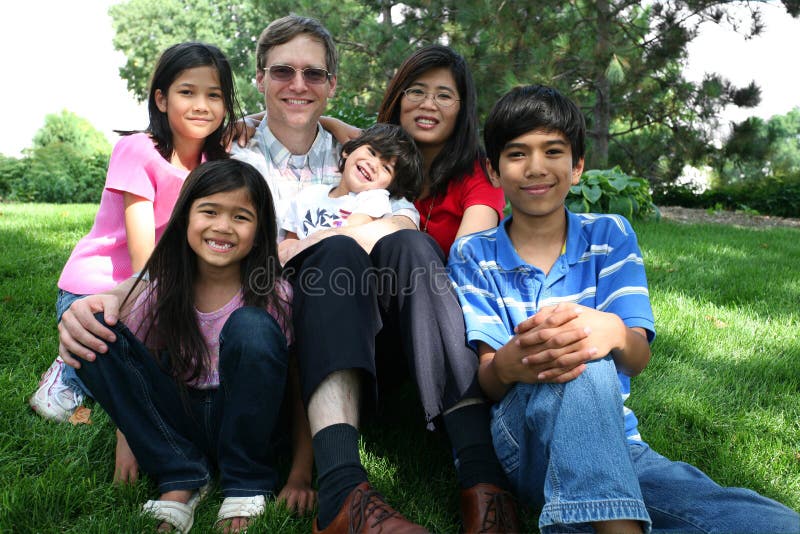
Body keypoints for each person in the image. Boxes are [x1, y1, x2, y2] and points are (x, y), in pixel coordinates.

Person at [58, 16, 519, 534]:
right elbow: (193, 246)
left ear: (332, 85)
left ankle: (481, 477)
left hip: (371, 330)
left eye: (314, 75)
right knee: (339, 256)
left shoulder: (357, 154)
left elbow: (391, 211)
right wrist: (119, 293)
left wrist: (339, 229)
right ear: (259, 79)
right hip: (283, 325)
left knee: (407, 244)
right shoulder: (235, 156)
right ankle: (343, 487)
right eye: (282, 72)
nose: (298, 85)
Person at [448, 84, 800, 533]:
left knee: (776, 525)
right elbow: (490, 381)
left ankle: (592, 515)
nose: (536, 167)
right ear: (494, 172)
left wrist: (613, 331)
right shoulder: (474, 254)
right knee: (582, 361)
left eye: (553, 151)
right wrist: (511, 364)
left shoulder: (610, 235)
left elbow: (637, 356)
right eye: (517, 154)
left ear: (577, 167)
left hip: (618, 443)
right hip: (526, 443)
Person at [30, 41, 240, 482]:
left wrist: (337, 126)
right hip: (102, 286)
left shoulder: (215, 160)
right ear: (161, 99)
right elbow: (144, 261)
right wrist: (130, 435)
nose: (202, 105)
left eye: (215, 94)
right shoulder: (139, 150)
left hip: (163, 279)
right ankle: (67, 374)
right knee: (145, 335)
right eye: (187, 92)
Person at [74, 158, 314, 533]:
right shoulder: (160, 291)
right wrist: (129, 440)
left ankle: (246, 481)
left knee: (251, 325)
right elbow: (138, 374)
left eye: (240, 217)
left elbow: (298, 387)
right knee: (91, 333)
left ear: (259, 231)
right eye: (209, 211)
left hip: (247, 418)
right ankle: (180, 475)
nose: (222, 226)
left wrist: (300, 474)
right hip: (178, 419)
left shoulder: (275, 294)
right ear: (186, 217)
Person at [376, 44, 506, 257]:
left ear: (462, 110)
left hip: (447, 287)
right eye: (417, 92)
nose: (428, 104)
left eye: (444, 96)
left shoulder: (481, 174)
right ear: (397, 100)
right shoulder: (373, 159)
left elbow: (468, 260)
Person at [281, 123, 422, 241]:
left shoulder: (374, 199)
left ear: (391, 186)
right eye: (372, 152)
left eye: (386, 168)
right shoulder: (310, 194)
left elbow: (349, 233)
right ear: (348, 150)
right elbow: (291, 240)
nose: (373, 165)